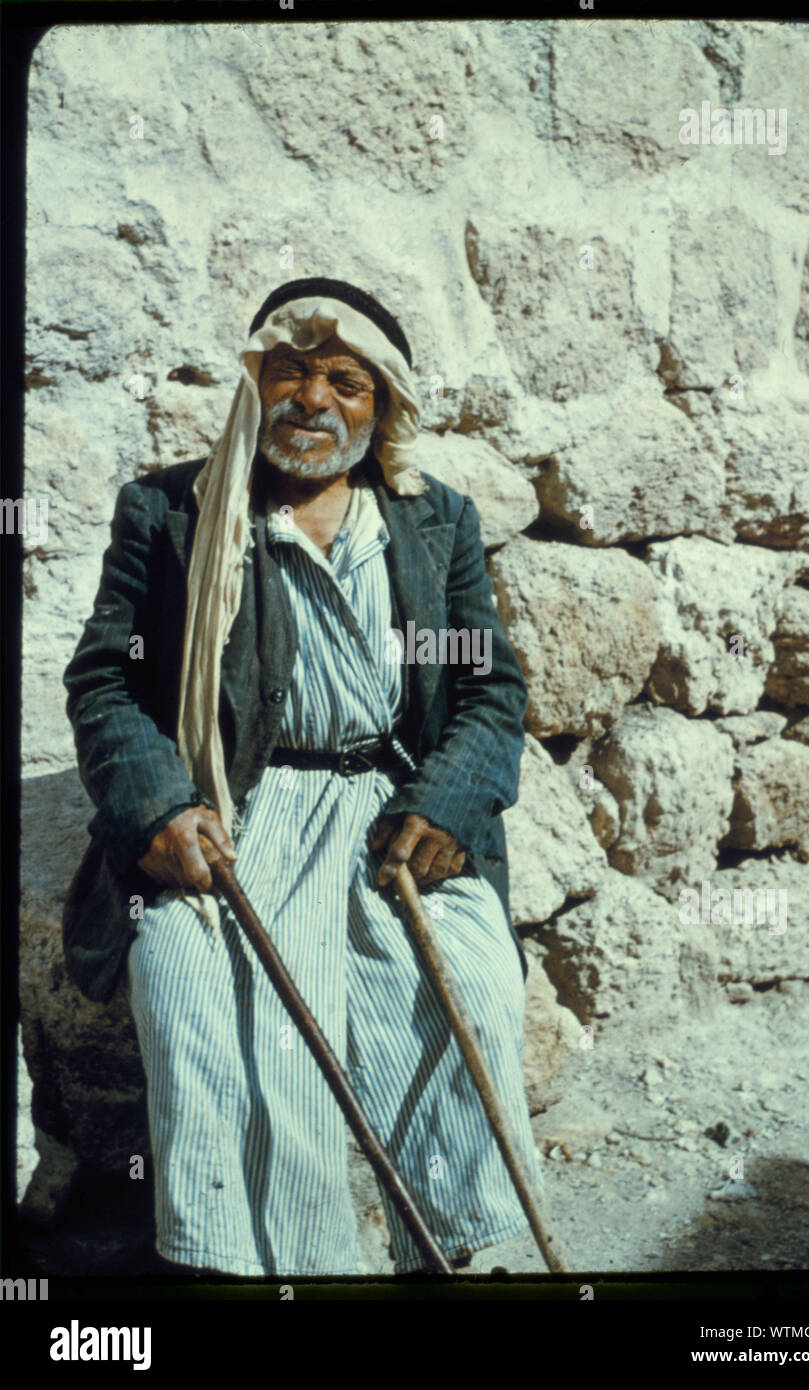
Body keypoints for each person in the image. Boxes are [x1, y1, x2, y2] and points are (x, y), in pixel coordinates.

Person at [62, 275, 544, 1276]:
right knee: (196, 989)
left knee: (472, 987)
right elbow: (108, 682)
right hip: (233, 809)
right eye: (288, 372)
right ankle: (251, 1262)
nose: (312, 400)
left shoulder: (430, 523)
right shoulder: (172, 515)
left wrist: (449, 802)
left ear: (383, 405)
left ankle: (461, 1251)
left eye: (343, 381)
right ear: (256, 384)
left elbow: (489, 688)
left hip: (389, 811)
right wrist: (157, 805)